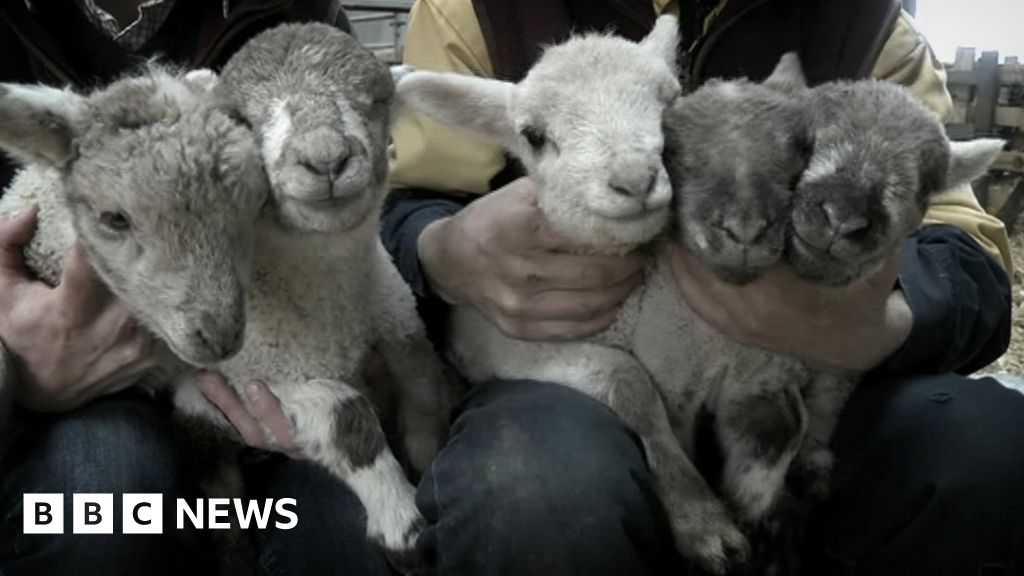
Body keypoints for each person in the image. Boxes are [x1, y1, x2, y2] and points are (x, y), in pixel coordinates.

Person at [378, 0, 1024, 574]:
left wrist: (886, 318)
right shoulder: (477, 12)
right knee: (534, 485)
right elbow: (408, 198)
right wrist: (438, 249)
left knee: (989, 448)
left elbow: (964, 243)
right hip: (569, 364)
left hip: (807, 369)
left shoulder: (866, 23)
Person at [0, 2, 390, 576]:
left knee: (343, 533)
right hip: (74, 398)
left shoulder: (293, 15)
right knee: (97, 497)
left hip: (268, 348)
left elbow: (367, 188)